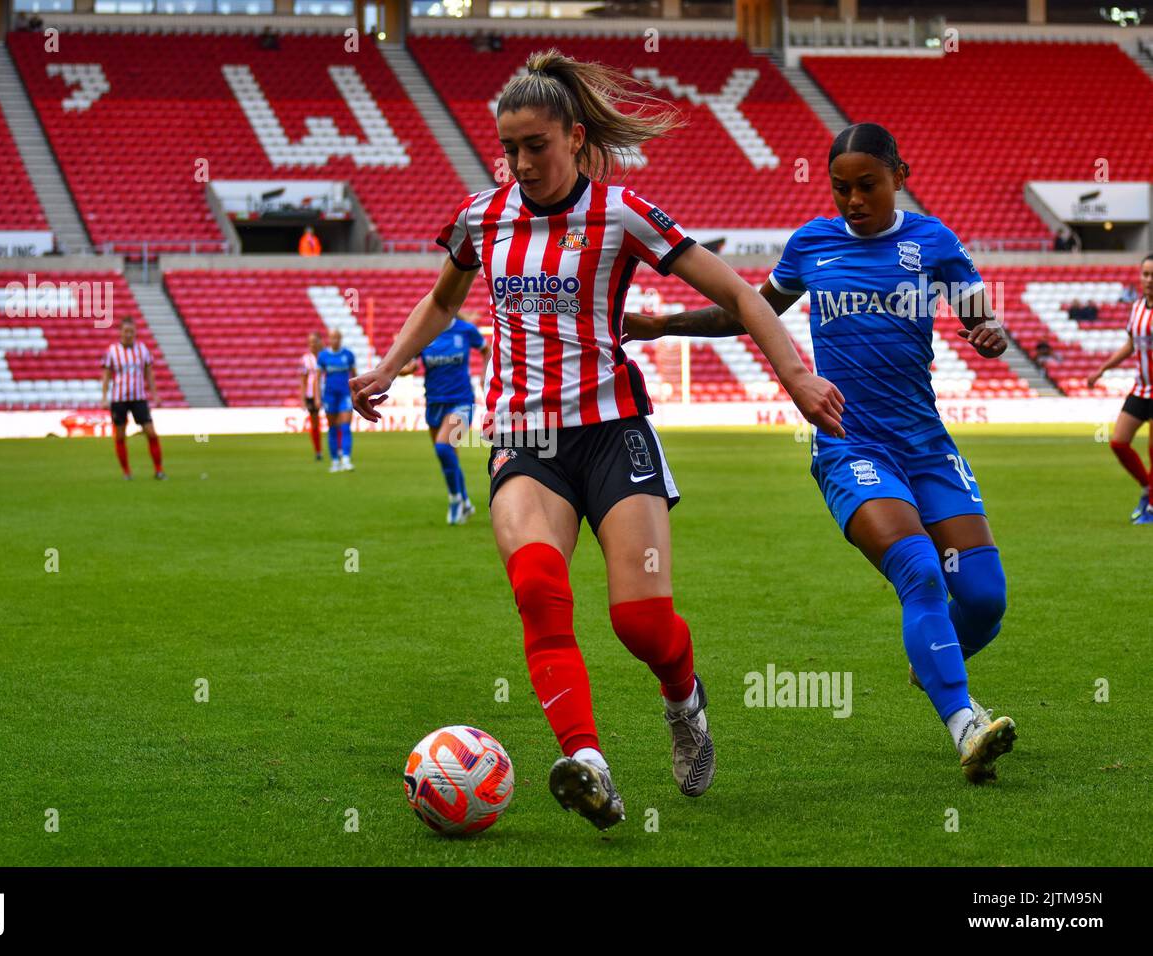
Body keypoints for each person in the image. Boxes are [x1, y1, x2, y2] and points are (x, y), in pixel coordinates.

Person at [349, 49, 843, 830]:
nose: (520, 162)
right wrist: (385, 367)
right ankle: (589, 763)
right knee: (539, 591)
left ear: (575, 137)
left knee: (639, 623)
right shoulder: (482, 218)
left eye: (535, 145)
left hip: (615, 434)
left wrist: (798, 377)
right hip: (525, 438)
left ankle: (683, 699)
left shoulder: (621, 214)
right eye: (508, 147)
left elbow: (739, 293)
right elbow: (443, 304)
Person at [624, 122, 1016, 785]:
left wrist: (988, 330)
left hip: (926, 444)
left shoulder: (934, 243)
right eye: (842, 188)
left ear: (901, 175)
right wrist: (663, 325)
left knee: (982, 599)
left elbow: (981, 314)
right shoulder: (812, 243)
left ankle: (934, 661)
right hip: (851, 444)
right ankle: (964, 721)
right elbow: (747, 312)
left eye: (868, 185)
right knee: (918, 571)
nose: (853, 200)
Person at [398, 314, 490, 524]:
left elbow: (486, 350)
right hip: (434, 402)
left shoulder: (466, 329)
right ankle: (466, 501)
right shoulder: (425, 331)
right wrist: (405, 370)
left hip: (461, 400)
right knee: (448, 456)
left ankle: (455, 500)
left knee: (443, 447)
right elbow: (408, 364)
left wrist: (486, 374)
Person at [1087, 254, 1153, 523]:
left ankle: (1150, 507)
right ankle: (1149, 489)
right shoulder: (1137, 308)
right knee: (1118, 442)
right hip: (1141, 389)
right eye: (1145, 274)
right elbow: (1130, 345)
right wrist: (1102, 369)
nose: (1148, 280)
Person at [101, 316, 165, 481]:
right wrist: (104, 397)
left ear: (135, 332)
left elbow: (148, 374)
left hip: (139, 398)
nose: (128, 334)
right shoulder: (112, 351)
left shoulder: (142, 350)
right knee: (120, 436)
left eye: (131, 331)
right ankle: (126, 472)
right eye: (125, 331)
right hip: (119, 399)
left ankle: (158, 470)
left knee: (151, 433)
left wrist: (155, 394)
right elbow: (107, 375)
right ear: (120, 332)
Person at [318, 328, 356, 472]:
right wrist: (317, 396)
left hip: (345, 395)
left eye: (337, 338)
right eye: (332, 338)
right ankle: (334, 460)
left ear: (340, 339)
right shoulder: (323, 356)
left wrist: (357, 392)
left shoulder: (348, 355)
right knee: (333, 428)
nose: (334, 340)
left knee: (345, 426)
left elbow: (354, 375)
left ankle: (346, 459)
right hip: (330, 396)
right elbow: (317, 378)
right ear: (329, 339)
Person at [300, 331, 323, 462]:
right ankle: (318, 451)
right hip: (311, 394)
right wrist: (302, 399)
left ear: (320, 341)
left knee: (334, 421)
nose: (312, 344)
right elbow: (303, 380)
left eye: (314, 341)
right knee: (315, 424)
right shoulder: (306, 359)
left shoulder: (326, 356)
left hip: (326, 391)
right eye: (310, 342)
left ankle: (338, 450)